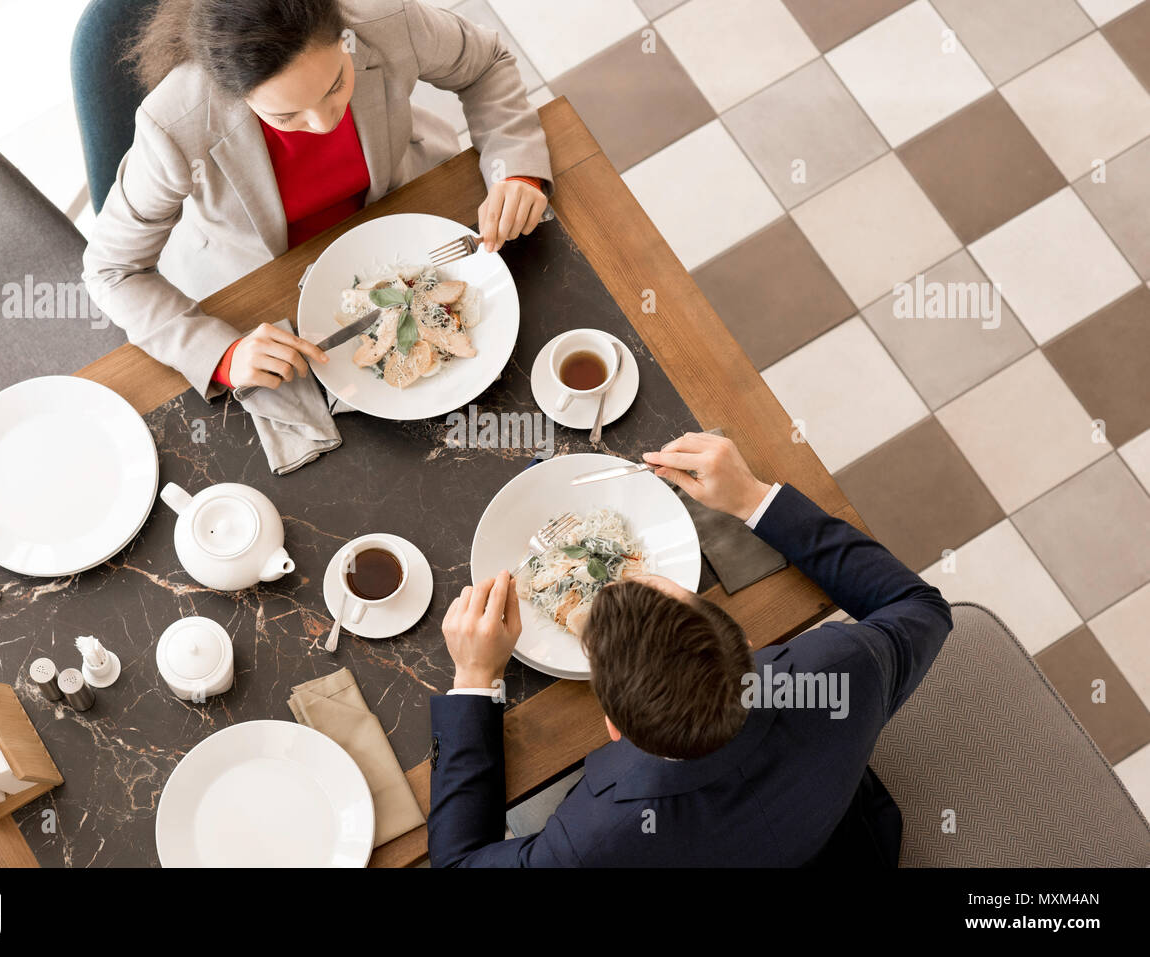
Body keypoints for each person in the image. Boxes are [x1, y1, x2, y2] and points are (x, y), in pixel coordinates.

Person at [430, 432, 954, 866]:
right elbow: (920, 606)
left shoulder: (590, 841)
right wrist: (754, 499)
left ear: (613, 727)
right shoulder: (841, 668)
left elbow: (456, 863)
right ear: (743, 644)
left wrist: (475, 681)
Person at [82, 0, 550, 398]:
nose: (325, 123)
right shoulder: (174, 124)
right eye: (285, 115)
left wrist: (517, 169)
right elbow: (110, 270)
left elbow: (485, 63)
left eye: (336, 85)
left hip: (407, 209)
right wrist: (221, 354)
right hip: (263, 283)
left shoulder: (384, 19)